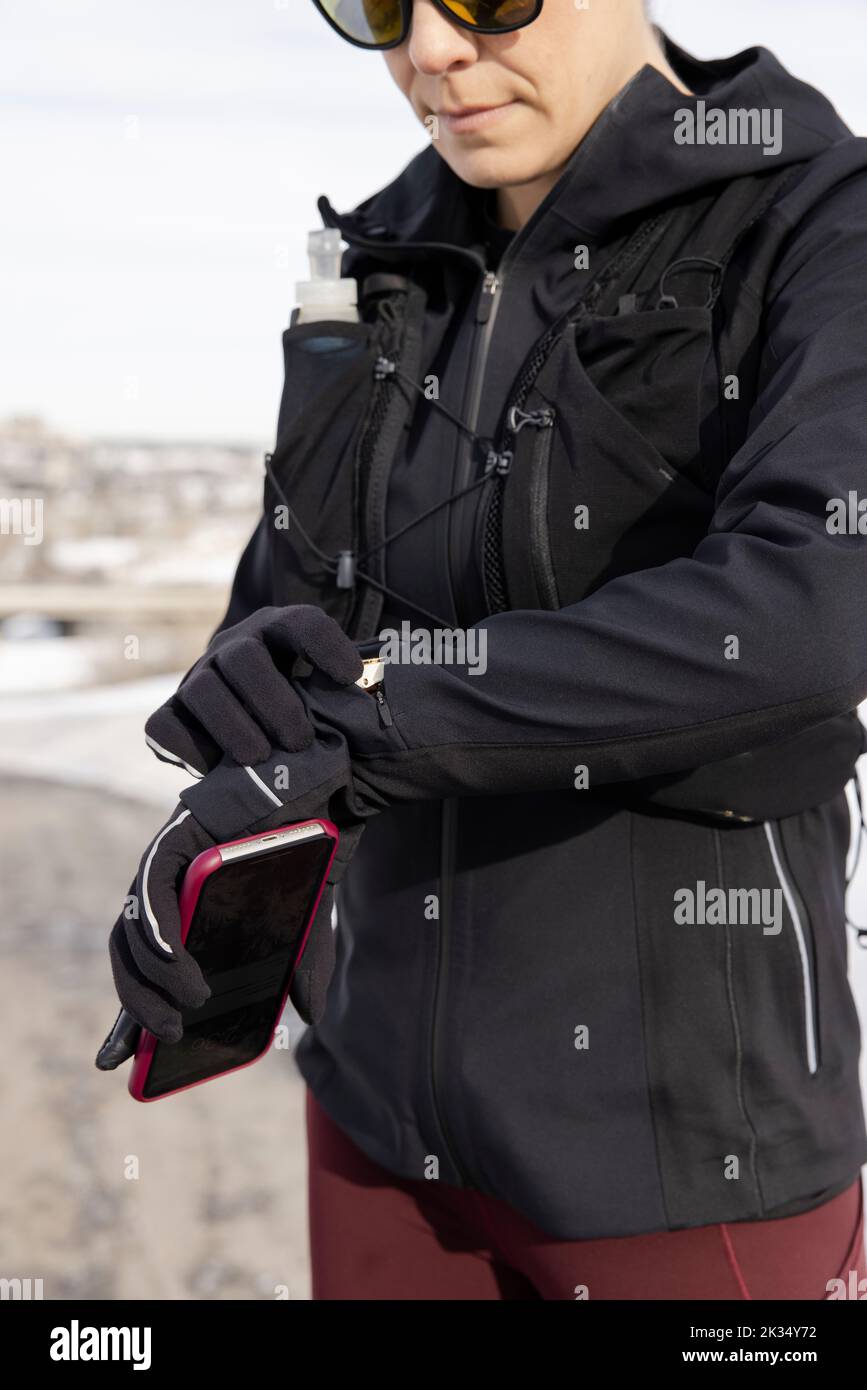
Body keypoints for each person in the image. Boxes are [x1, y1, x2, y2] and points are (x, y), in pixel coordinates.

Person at [98, 0, 867, 1300]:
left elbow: (811, 608)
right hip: (373, 1117)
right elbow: (298, 585)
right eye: (377, 6)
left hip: (680, 1162)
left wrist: (379, 720)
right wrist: (240, 740)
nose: (430, 54)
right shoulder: (358, 257)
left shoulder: (815, 215)